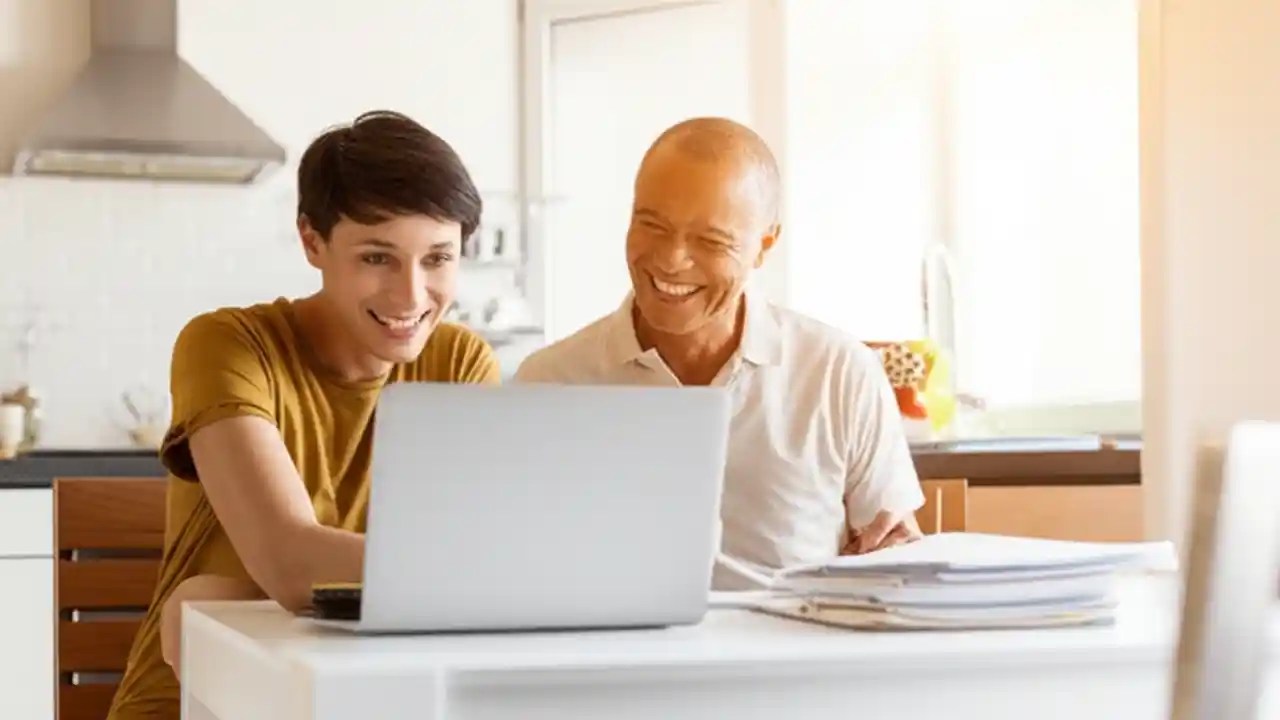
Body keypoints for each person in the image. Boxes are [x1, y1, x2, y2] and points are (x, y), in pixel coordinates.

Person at [107, 110, 500, 719]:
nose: (412, 296)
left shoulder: (460, 361)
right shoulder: (229, 346)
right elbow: (293, 565)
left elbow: (468, 564)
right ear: (313, 241)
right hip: (200, 701)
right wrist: (493, 579)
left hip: (376, 699)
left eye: (438, 258)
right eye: (377, 258)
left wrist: (233, 595)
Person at [514, 117, 924, 588]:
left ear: (763, 246)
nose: (671, 260)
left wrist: (893, 556)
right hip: (616, 657)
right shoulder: (549, 381)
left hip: (792, 654)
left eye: (710, 241)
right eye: (651, 225)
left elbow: (894, 553)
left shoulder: (839, 372)